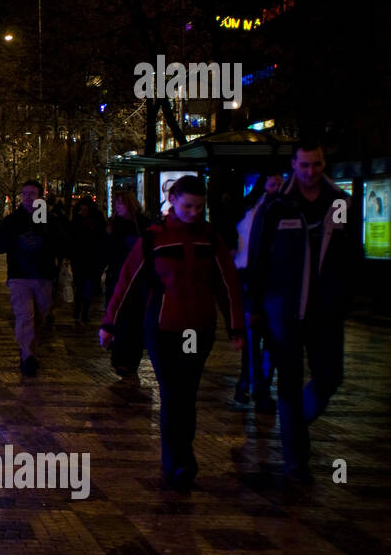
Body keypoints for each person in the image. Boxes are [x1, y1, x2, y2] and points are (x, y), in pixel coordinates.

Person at [99, 175, 245, 493]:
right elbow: (127, 281)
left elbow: (228, 284)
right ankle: (175, 462)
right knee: (172, 393)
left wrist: (236, 327)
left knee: (186, 393)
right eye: (188, 206)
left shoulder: (210, 237)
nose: (194, 212)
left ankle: (183, 459)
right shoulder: (154, 238)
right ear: (174, 201)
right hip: (163, 327)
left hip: (197, 329)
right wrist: (110, 323)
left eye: (199, 207)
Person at [248, 142, 361, 484]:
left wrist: (347, 295)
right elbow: (258, 259)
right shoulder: (276, 205)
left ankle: (294, 423)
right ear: (293, 165)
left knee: (330, 375)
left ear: (324, 164)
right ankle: (296, 459)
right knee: (289, 382)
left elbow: (352, 252)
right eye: (304, 165)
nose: (311, 172)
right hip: (283, 307)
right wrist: (255, 307)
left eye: (317, 165)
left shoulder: (339, 202)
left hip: (326, 307)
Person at [0, 179, 64, 376]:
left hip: (43, 276)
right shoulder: (12, 220)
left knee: (40, 316)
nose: (27, 197)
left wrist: (44, 240)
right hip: (19, 276)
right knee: (25, 316)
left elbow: (61, 243)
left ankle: (29, 348)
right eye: (24, 193)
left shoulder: (49, 220)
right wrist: (17, 241)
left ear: (40, 197)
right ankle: (27, 356)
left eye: (32, 193)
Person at [232, 173, 283, 411]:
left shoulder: (278, 209)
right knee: (254, 338)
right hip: (249, 279)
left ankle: (251, 385)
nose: (276, 189)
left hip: (268, 282)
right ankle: (254, 387)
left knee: (267, 340)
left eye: (279, 184)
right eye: (272, 184)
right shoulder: (252, 210)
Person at [104, 190, 147, 377]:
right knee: (118, 315)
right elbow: (105, 250)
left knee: (135, 319)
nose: (117, 207)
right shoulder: (113, 225)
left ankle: (130, 359)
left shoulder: (143, 226)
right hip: (117, 277)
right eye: (116, 203)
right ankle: (120, 356)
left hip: (138, 280)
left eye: (121, 203)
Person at [68, 196, 107, 323]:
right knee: (80, 285)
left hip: (90, 258)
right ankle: (79, 309)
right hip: (80, 258)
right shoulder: (78, 219)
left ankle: (83, 311)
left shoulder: (94, 221)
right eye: (82, 209)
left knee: (86, 286)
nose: (83, 211)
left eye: (85, 209)